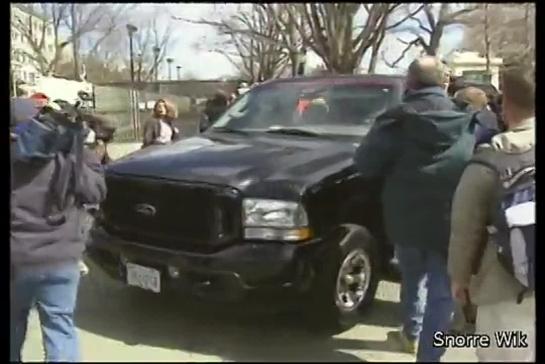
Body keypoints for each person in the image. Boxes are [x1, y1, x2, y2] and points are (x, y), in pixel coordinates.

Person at [353, 56, 476, 362]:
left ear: (409, 82)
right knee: (442, 293)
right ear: (445, 83)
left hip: (405, 216)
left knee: (412, 277)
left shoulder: (395, 119)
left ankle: (411, 333)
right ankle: (429, 355)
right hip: (452, 217)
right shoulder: (468, 120)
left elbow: (365, 164)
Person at [448, 64, 535, 361]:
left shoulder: (492, 159)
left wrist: (459, 279)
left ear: (505, 104)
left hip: (504, 286)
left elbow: (465, 225)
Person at [10, 99, 107, 362]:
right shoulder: (66, 156)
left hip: (17, 260)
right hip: (61, 257)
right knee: (59, 328)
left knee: (13, 325)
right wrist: (82, 153)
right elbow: (96, 191)